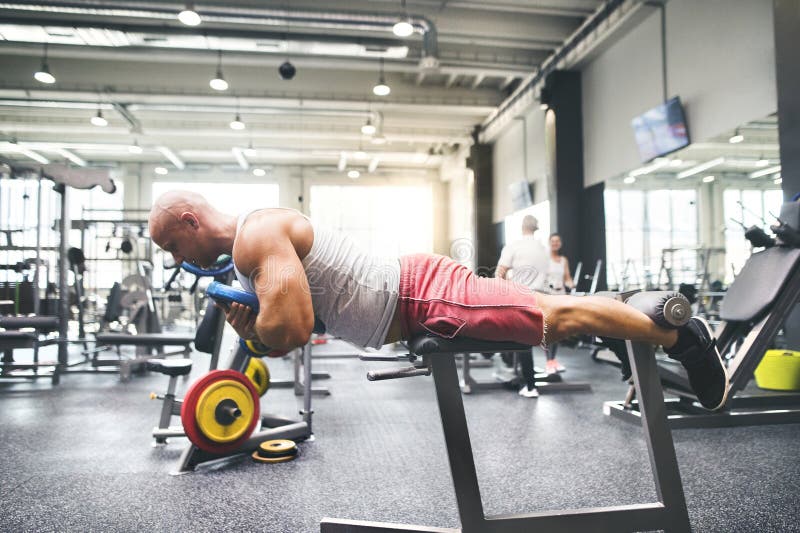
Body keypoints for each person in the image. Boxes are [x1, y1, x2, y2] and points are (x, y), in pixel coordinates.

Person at [147, 190, 729, 411]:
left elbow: (294, 332)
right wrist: (252, 329)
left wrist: (256, 330)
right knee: (553, 310)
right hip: (413, 295)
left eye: (174, 245)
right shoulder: (251, 246)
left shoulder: (255, 238)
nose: (178, 260)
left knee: (557, 315)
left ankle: (683, 337)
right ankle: (622, 310)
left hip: (424, 298)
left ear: (192, 220)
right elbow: (276, 339)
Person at [495, 215, 549, 398]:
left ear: (522, 227)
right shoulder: (543, 248)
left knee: (518, 338)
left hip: (522, 297)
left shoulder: (514, 246)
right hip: (543, 297)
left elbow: (499, 273)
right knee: (524, 338)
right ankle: (515, 369)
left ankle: (531, 386)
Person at [542, 232, 575, 375]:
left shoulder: (563, 260)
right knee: (548, 329)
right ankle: (548, 362)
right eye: (553, 241)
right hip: (548, 296)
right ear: (549, 243)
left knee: (557, 329)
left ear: (560, 244)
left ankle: (552, 360)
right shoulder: (544, 259)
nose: (555, 243)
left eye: (557, 241)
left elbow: (567, 278)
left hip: (560, 296)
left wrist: (571, 285)